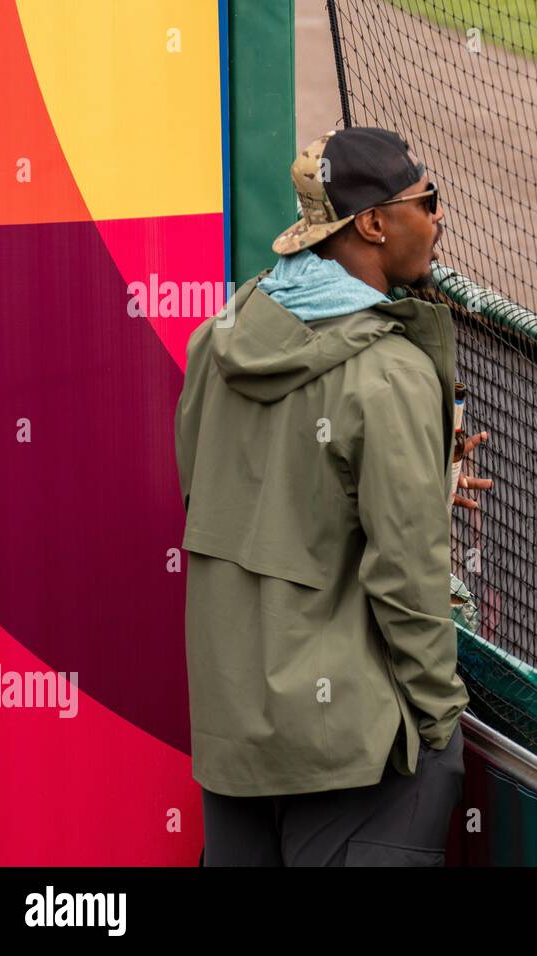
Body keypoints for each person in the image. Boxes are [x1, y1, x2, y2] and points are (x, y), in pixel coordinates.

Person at [175, 127, 483, 866]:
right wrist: (439, 719)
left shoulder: (221, 335)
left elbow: (213, 494)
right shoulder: (390, 375)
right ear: (373, 224)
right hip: (352, 746)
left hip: (236, 732)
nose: (438, 220)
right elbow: (406, 576)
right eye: (427, 201)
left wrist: (415, 479)